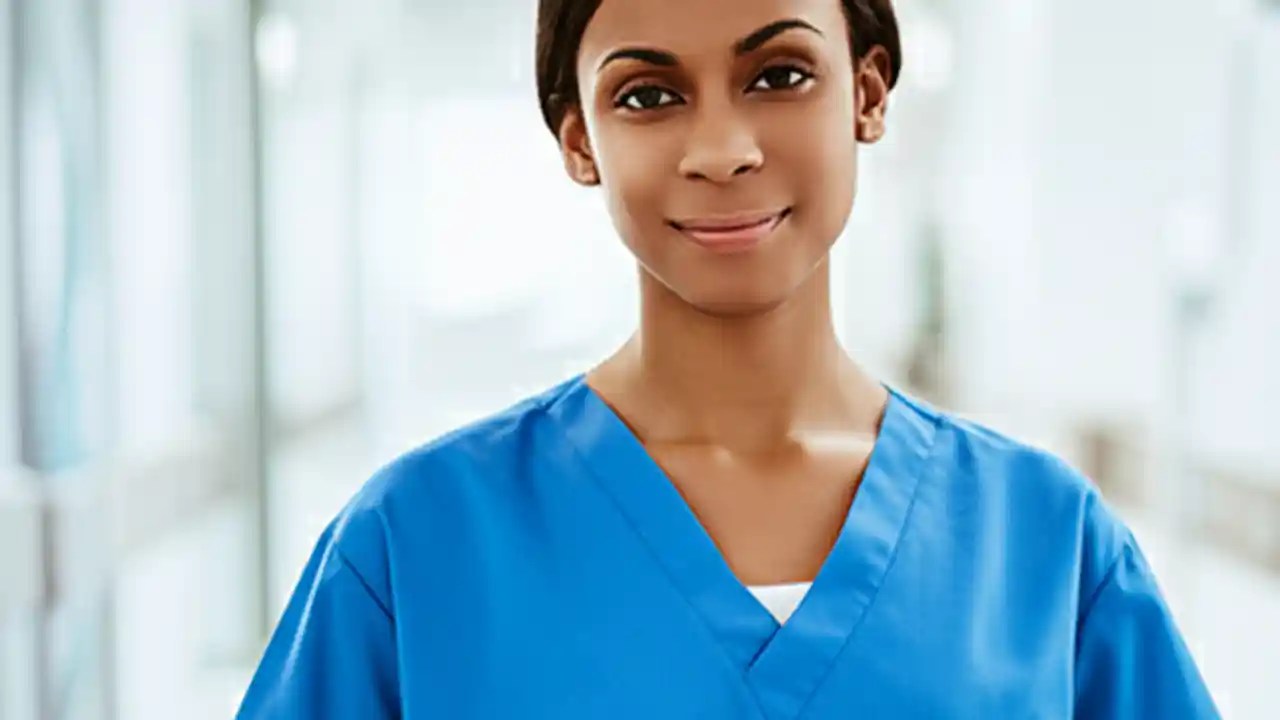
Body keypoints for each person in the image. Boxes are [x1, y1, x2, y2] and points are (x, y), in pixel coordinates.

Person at [237, 0, 1220, 717]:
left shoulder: (1043, 546)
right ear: (579, 143)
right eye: (647, 94)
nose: (719, 148)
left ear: (867, 94)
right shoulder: (416, 546)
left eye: (779, 76)